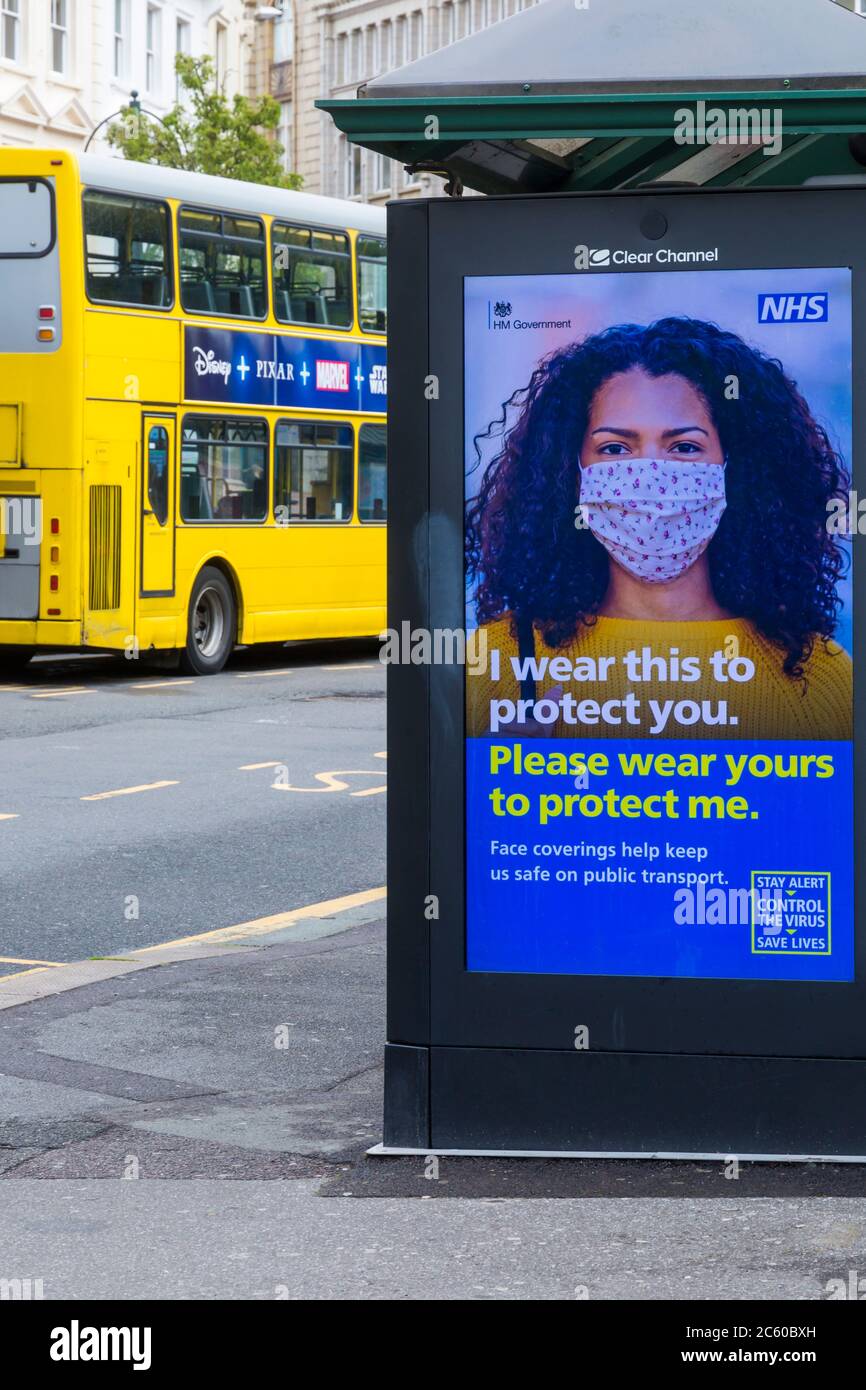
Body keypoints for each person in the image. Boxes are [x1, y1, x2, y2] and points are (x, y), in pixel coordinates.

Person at [465, 317, 852, 740]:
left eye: (684, 447)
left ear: (736, 469)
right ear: (570, 472)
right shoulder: (499, 664)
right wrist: (501, 776)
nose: (649, 474)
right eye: (615, 448)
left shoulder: (819, 676)